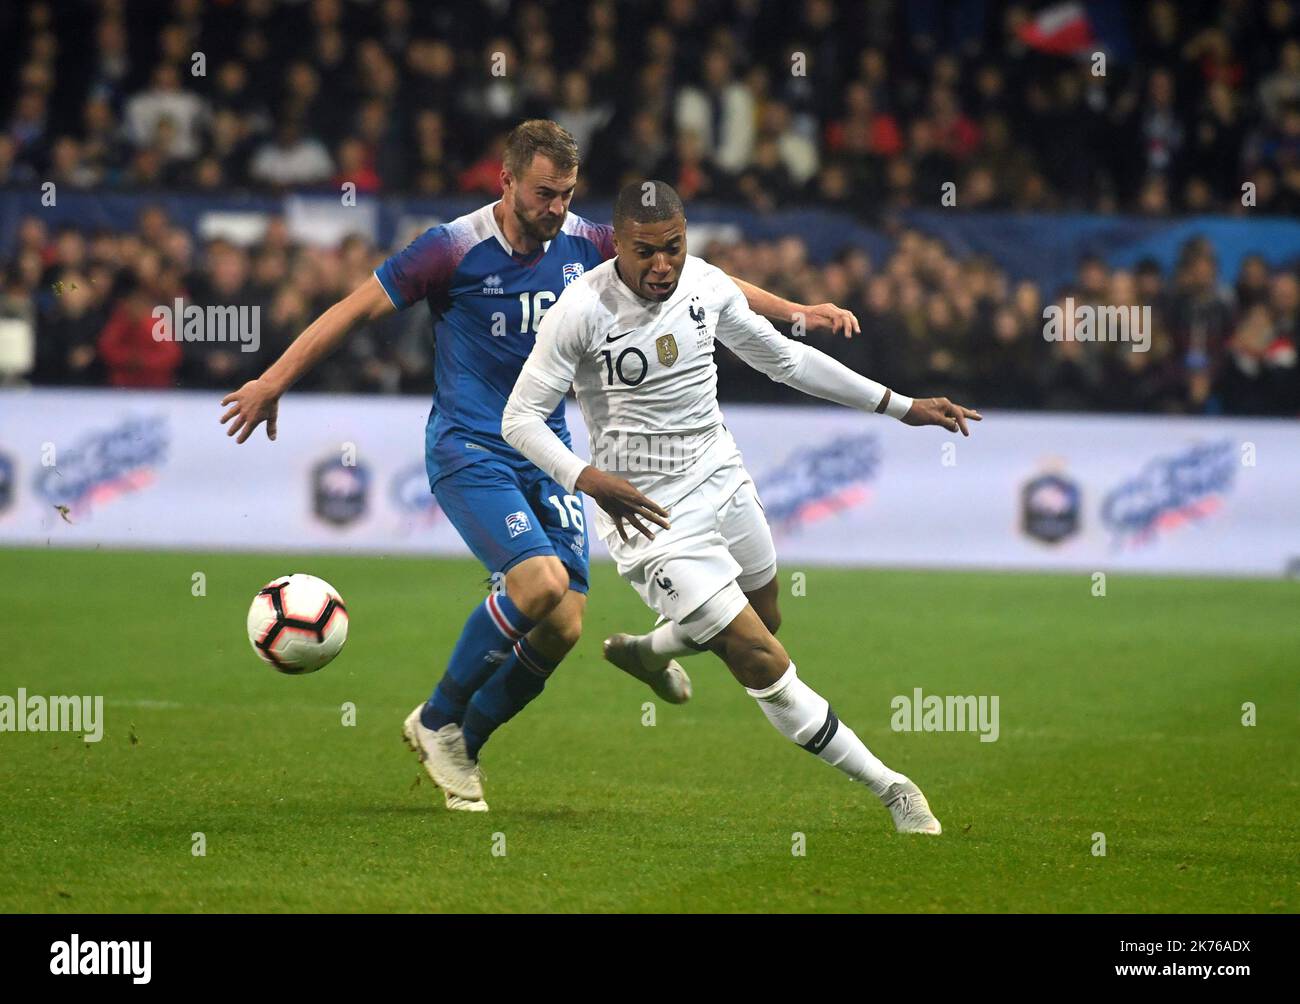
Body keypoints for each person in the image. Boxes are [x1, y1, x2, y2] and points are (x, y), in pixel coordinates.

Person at [219, 121, 860, 812]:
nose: (556, 208)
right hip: (470, 446)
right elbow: (354, 310)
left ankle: (467, 742)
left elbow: (701, 281)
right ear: (507, 181)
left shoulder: (588, 243)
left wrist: (795, 311)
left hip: (546, 454)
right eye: (544, 194)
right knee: (539, 582)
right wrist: (273, 379)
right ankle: (435, 719)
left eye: (567, 194)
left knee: (564, 626)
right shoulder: (451, 248)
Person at [503, 181, 981, 832]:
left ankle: (648, 652)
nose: (663, 264)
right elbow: (520, 418)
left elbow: (785, 361)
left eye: (674, 247)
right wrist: (586, 478)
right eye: (646, 252)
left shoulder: (705, 285)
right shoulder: (579, 311)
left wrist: (902, 407)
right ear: (618, 245)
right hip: (649, 517)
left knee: (767, 617)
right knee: (759, 655)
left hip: (721, 474)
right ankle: (892, 789)